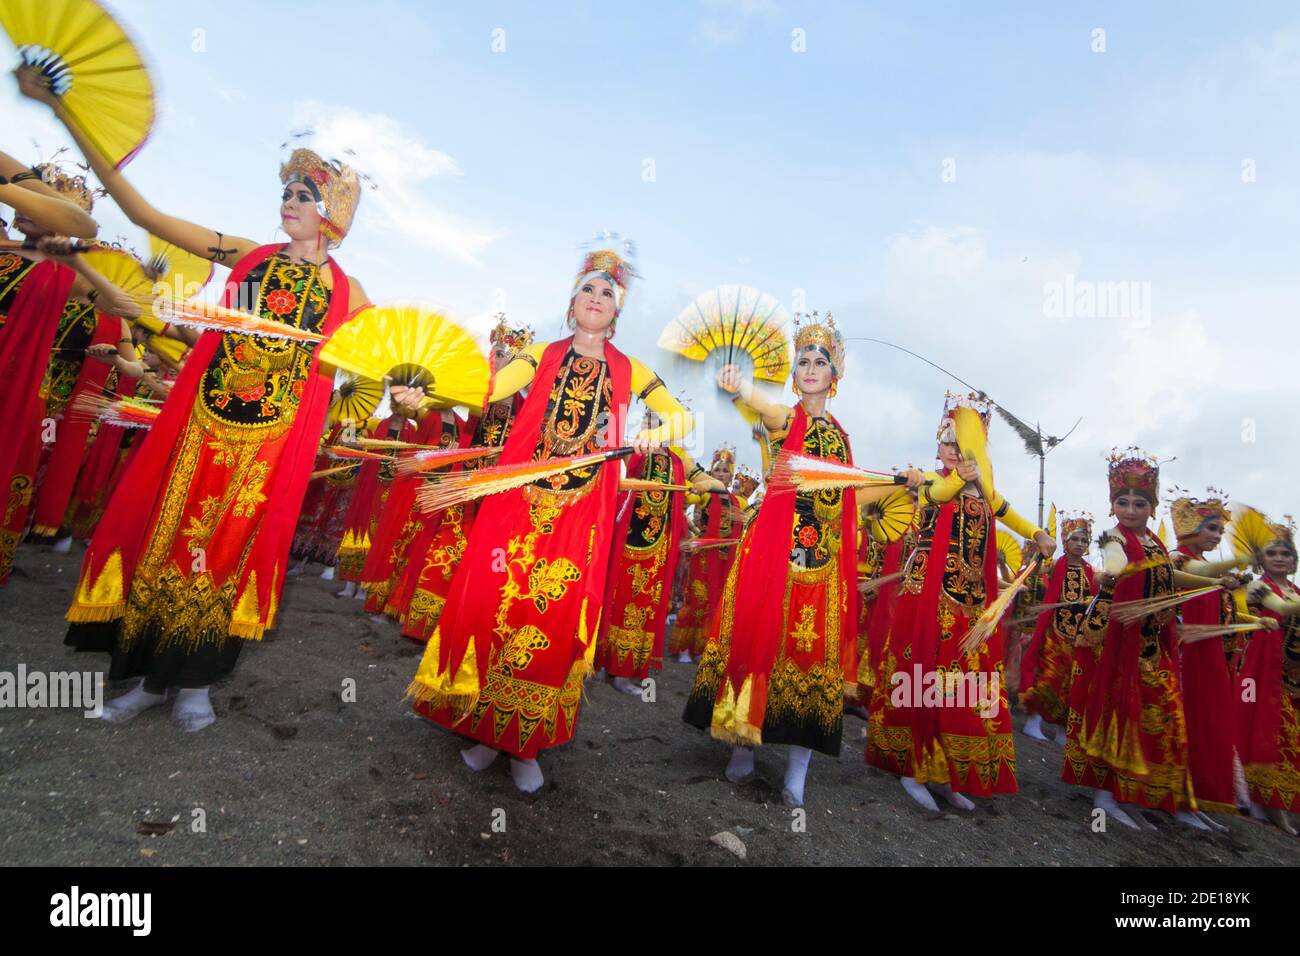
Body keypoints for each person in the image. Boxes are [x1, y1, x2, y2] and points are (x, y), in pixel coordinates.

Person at [43, 93, 368, 731]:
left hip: (269, 444)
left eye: (303, 195)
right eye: (288, 194)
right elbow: (151, 217)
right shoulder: (253, 260)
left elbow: (375, 366)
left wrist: (411, 392)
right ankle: (147, 680)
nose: (289, 203)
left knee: (226, 553)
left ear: (329, 214)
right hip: (205, 425)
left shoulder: (347, 293)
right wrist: (66, 114)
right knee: (168, 540)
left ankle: (196, 686)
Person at [403, 240, 693, 793]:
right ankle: (485, 732)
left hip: (578, 520)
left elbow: (681, 420)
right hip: (516, 503)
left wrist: (650, 434)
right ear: (572, 301)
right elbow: (488, 388)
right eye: (588, 287)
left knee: (551, 621)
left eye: (608, 292)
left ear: (617, 312)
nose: (597, 296)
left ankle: (524, 743)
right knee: (494, 607)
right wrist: (428, 392)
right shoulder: (539, 353)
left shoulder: (634, 371)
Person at [683, 314, 858, 808]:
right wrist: (741, 389)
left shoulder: (843, 438)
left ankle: (798, 772)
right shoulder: (786, 416)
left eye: (819, 361)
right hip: (771, 557)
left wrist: (919, 486)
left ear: (834, 375)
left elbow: (848, 498)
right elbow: (764, 406)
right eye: (802, 360)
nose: (809, 367)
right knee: (758, 641)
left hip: (820, 565)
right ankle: (742, 747)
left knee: (807, 662)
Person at [865, 392, 1054, 812]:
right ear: (939, 446)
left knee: (962, 689)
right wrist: (957, 474)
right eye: (948, 444)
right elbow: (941, 492)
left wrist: (1037, 534)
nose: (955, 451)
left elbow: (1009, 514)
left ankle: (948, 773)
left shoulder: (985, 491)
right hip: (929, 602)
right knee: (926, 680)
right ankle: (915, 769)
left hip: (971, 605)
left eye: (964, 444)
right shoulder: (928, 481)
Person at [1060, 450, 1222, 831]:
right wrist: (1109, 576)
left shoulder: (1153, 542)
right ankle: (1104, 796)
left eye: (1140, 502)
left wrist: (1214, 582)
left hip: (1150, 642)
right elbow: (1116, 564)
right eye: (1122, 501)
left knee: (1158, 717)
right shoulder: (1113, 537)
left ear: (1153, 506)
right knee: (1113, 710)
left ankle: (1134, 793)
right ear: (1112, 503)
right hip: (1115, 640)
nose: (1130, 508)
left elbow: (1168, 577)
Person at [1170, 490, 1259, 829]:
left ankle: (1193, 798)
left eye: (1220, 531)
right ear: (1192, 526)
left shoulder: (1204, 566)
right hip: (1181, 656)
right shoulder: (1178, 558)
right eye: (1212, 528)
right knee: (1185, 723)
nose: (1217, 536)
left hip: (1206, 657)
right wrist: (1233, 567)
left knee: (1203, 723)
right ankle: (1180, 800)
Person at [1239, 518, 1300, 834]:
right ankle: (1267, 805)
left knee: (1291, 739)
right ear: (1261, 559)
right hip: (1260, 672)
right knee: (1264, 730)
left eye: (1285, 553)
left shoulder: (1296, 591)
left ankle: (1274, 802)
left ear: (1294, 561)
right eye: (1272, 552)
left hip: (1293, 676)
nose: (1278, 557)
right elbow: (1278, 607)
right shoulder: (1258, 586)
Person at [1020, 512, 1095, 745]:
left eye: (1084, 541)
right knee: (1049, 677)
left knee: (1072, 683)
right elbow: (1032, 571)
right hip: (1054, 632)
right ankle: (1033, 723)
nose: (1080, 545)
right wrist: (1038, 558)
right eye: (1076, 540)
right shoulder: (1055, 565)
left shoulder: (1089, 570)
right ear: (1065, 541)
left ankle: (1063, 731)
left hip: (1078, 636)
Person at [669, 446, 743, 663]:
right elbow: (687, 500)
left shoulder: (738, 502)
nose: (721, 474)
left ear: (731, 476)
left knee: (715, 603)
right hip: (703, 559)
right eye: (717, 470)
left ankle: (702, 648)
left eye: (725, 471)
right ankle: (684, 647)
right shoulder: (707, 496)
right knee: (697, 601)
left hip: (725, 560)